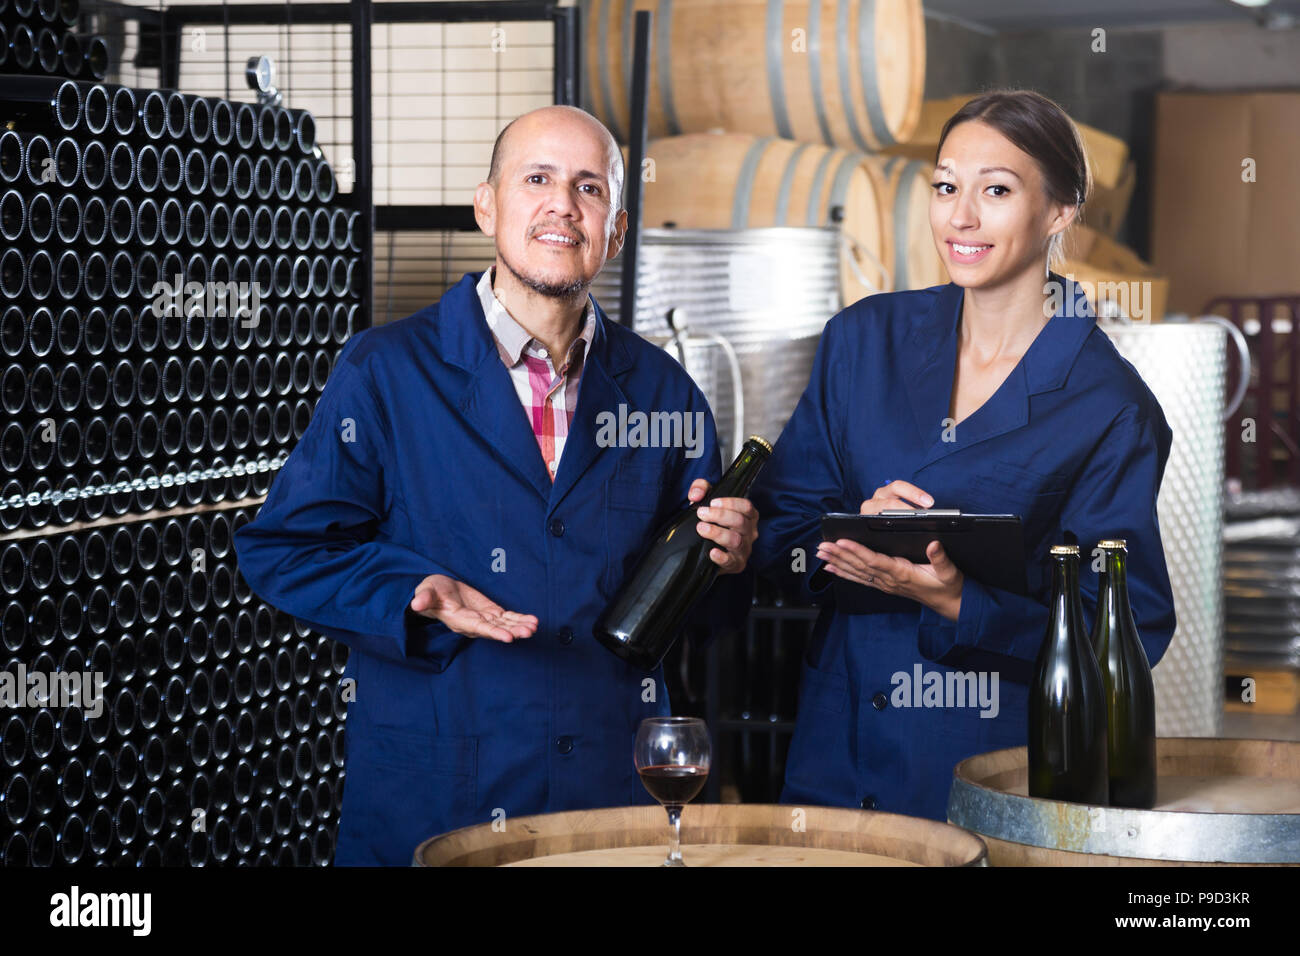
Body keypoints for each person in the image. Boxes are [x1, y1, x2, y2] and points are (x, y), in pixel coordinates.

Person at [233, 105, 759, 865]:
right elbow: (284, 550)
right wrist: (410, 592)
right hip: (439, 789)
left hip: (607, 799)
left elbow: (706, 616)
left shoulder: (666, 395)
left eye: (589, 187)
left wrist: (732, 560)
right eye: (537, 178)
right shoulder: (386, 372)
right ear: (487, 206)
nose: (562, 205)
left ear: (613, 228)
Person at [750, 90, 1177, 821]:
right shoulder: (863, 341)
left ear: (1061, 210)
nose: (961, 217)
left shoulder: (1110, 407)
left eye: (997, 191)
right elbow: (781, 530)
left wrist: (957, 601)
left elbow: (1129, 630)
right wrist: (852, 528)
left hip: (986, 777)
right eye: (946, 186)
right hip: (835, 763)